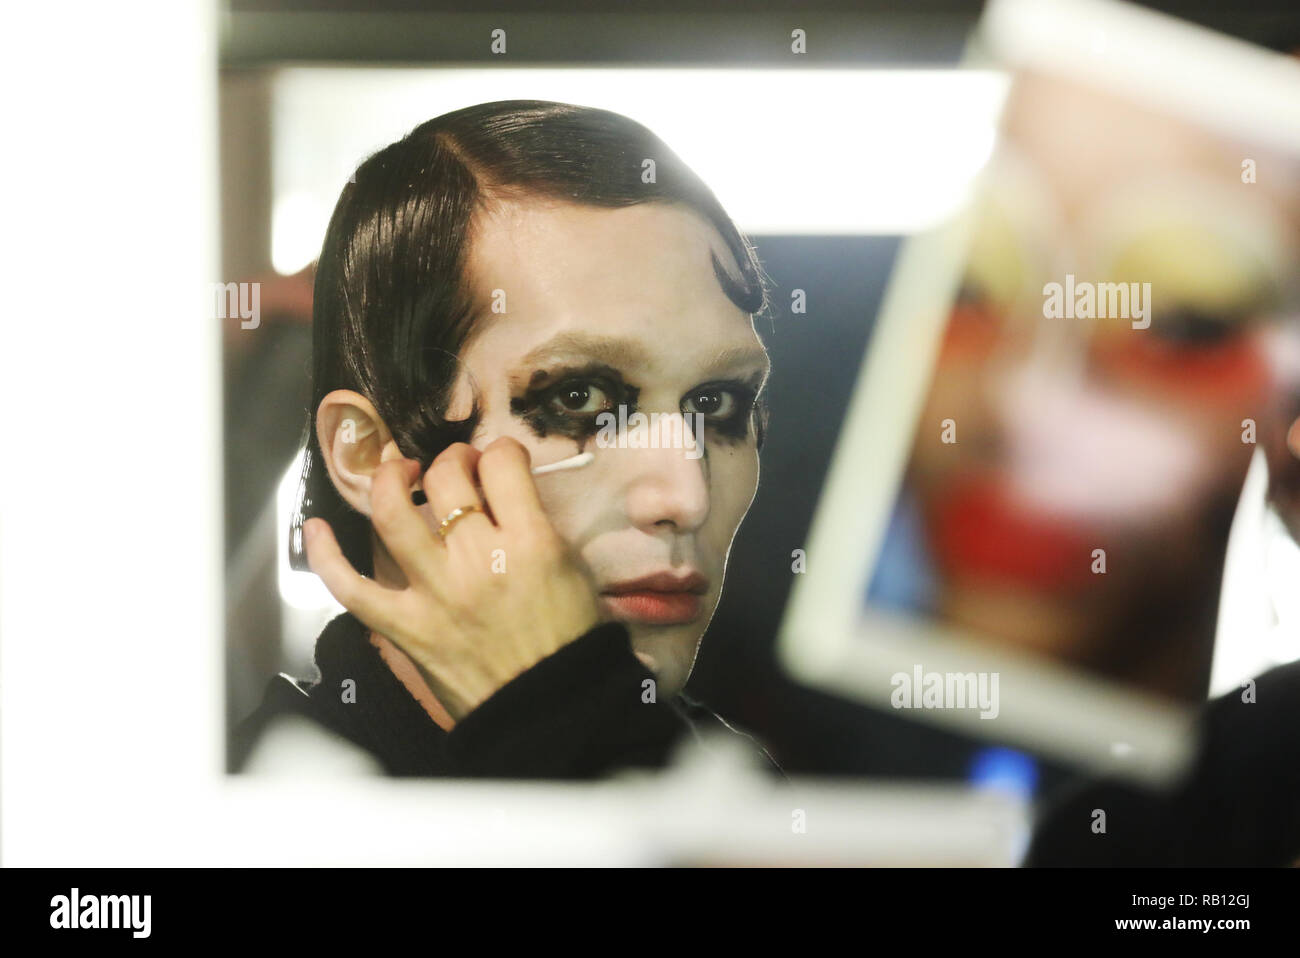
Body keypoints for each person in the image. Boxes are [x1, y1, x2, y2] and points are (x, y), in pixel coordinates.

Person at [231, 100, 783, 780]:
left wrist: (563, 718)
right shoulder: (235, 823)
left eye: (716, 403)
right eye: (580, 399)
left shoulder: (767, 807)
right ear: (368, 455)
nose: (685, 496)